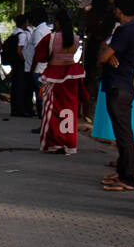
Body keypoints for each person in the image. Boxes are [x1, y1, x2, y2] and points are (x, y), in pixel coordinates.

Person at [99, 0, 134, 191]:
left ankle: (127, 177)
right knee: (122, 132)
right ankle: (124, 171)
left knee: (123, 133)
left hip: (120, 84)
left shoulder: (126, 30)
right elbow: (106, 53)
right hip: (122, 82)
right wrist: (108, 52)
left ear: (119, 9)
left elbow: (103, 55)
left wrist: (107, 52)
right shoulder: (132, 29)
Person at [33, 9, 89, 154]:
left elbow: (40, 56)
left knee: (51, 110)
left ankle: (54, 142)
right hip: (72, 77)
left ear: (58, 22)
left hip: (54, 76)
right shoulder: (76, 39)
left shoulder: (51, 38)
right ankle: (69, 143)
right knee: (69, 109)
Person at [25, 8, 53, 120]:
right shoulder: (47, 30)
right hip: (43, 67)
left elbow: (38, 52)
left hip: (37, 68)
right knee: (42, 93)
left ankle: (42, 116)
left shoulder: (38, 32)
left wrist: (32, 68)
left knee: (40, 94)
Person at [6, 13, 33, 117]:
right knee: (20, 86)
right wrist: (24, 60)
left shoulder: (14, 33)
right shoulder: (22, 35)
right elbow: (19, 50)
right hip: (19, 63)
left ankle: (15, 108)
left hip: (14, 62)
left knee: (15, 86)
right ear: (24, 23)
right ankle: (20, 109)